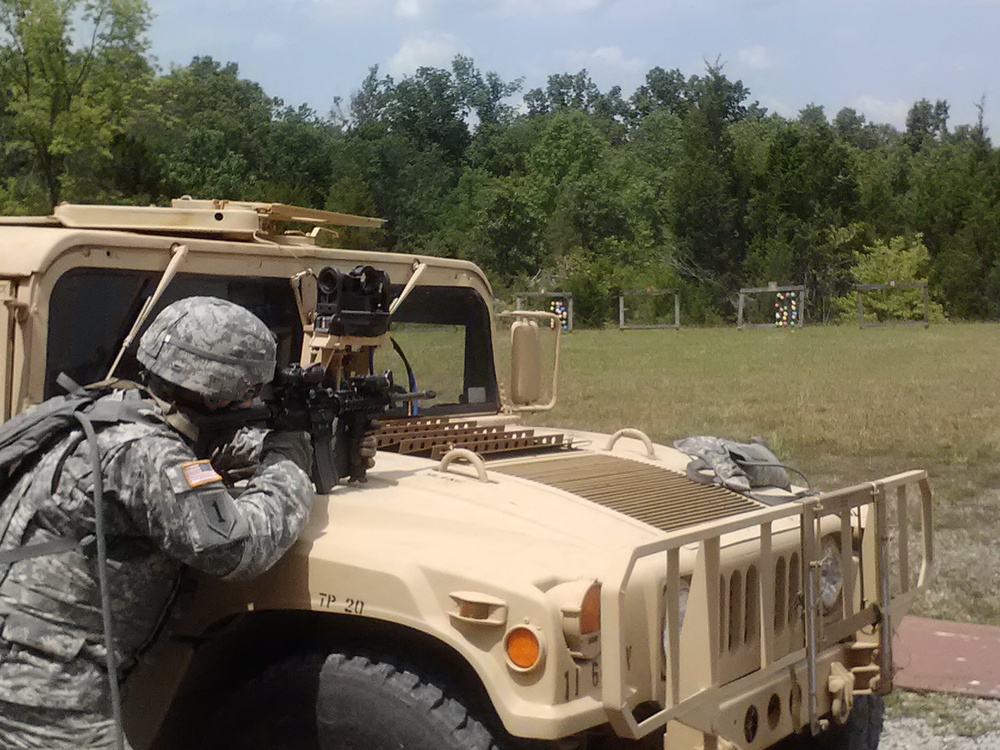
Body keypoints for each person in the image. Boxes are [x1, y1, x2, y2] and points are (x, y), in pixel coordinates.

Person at [0, 296, 315, 749]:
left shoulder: (116, 406)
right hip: (41, 685)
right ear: (213, 391)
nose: (253, 399)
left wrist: (264, 444)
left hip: (25, 654)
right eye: (248, 390)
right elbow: (240, 547)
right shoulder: (146, 453)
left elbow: (198, 449)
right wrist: (289, 465)